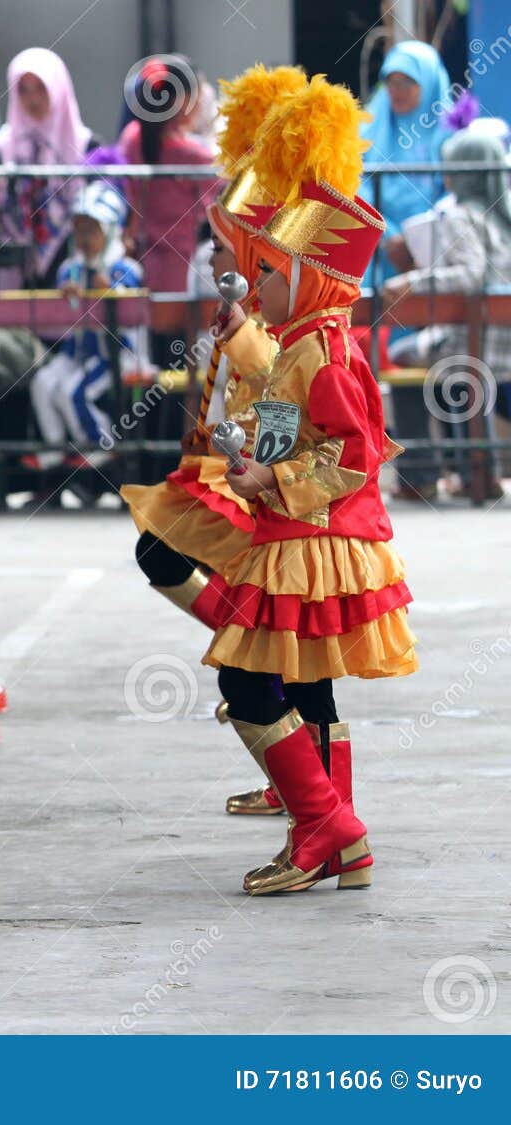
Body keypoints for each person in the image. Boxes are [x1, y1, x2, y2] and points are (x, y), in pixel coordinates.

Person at [209, 76, 417, 895]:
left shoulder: (323, 351)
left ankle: (327, 820)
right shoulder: (304, 341)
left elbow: (356, 457)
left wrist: (275, 475)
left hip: (316, 539)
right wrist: (259, 468)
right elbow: (296, 436)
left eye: (271, 273)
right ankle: (335, 835)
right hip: (299, 530)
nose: (253, 287)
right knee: (303, 682)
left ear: (313, 278)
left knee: (245, 677)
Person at [120, 64, 305, 817]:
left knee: (283, 667)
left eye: (227, 254)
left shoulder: (285, 328)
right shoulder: (249, 313)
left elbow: (300, 417)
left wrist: (269, 475)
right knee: (273, 666)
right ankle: (315, 807)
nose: (215, 264)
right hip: (260, 481)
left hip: (293, 507)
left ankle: (326, 819)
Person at [382, 130, 511, 498]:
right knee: (448, 368)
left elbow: (472, 273)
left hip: (479, 345)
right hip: (501, 341)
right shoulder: (505, 214)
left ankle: (419, 476)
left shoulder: (459, 215)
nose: (446, 177)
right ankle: (474, 473)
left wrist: (410, 280)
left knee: (402, 357)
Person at [25, 181, 147, 472]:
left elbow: (128, 308)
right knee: (42, 382)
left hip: (116, 355)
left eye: (92, 230)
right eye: (79, 230)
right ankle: (54, 446)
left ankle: (99, 443)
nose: (83, 238)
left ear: (109, 231)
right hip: (78, 351)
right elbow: (63, 314)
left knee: (72, 391)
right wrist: (67, 295)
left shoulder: (125, 268)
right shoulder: (70, 269)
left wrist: (109, 292)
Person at [0, 47, 92, 284]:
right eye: (23, 90)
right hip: (13, 261)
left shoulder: (87, 146)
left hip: (69, 262)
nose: (33, 99)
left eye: (41, 88)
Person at [118, 57, 217, 296]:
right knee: (180, 330)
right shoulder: (197, 156)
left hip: (139, 257)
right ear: (183, 101)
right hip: (182, 263)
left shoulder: (131, 137)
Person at [360, 40, 456, 285]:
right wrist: (388, 237)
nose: (395, 90)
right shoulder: (368, 130)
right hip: (378, 250)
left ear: (430, 83)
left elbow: (456, 194)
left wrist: (418, 239)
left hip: (437, 252)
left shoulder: (452, 137)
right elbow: (357, 187)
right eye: (390, 82)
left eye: (406, 82)